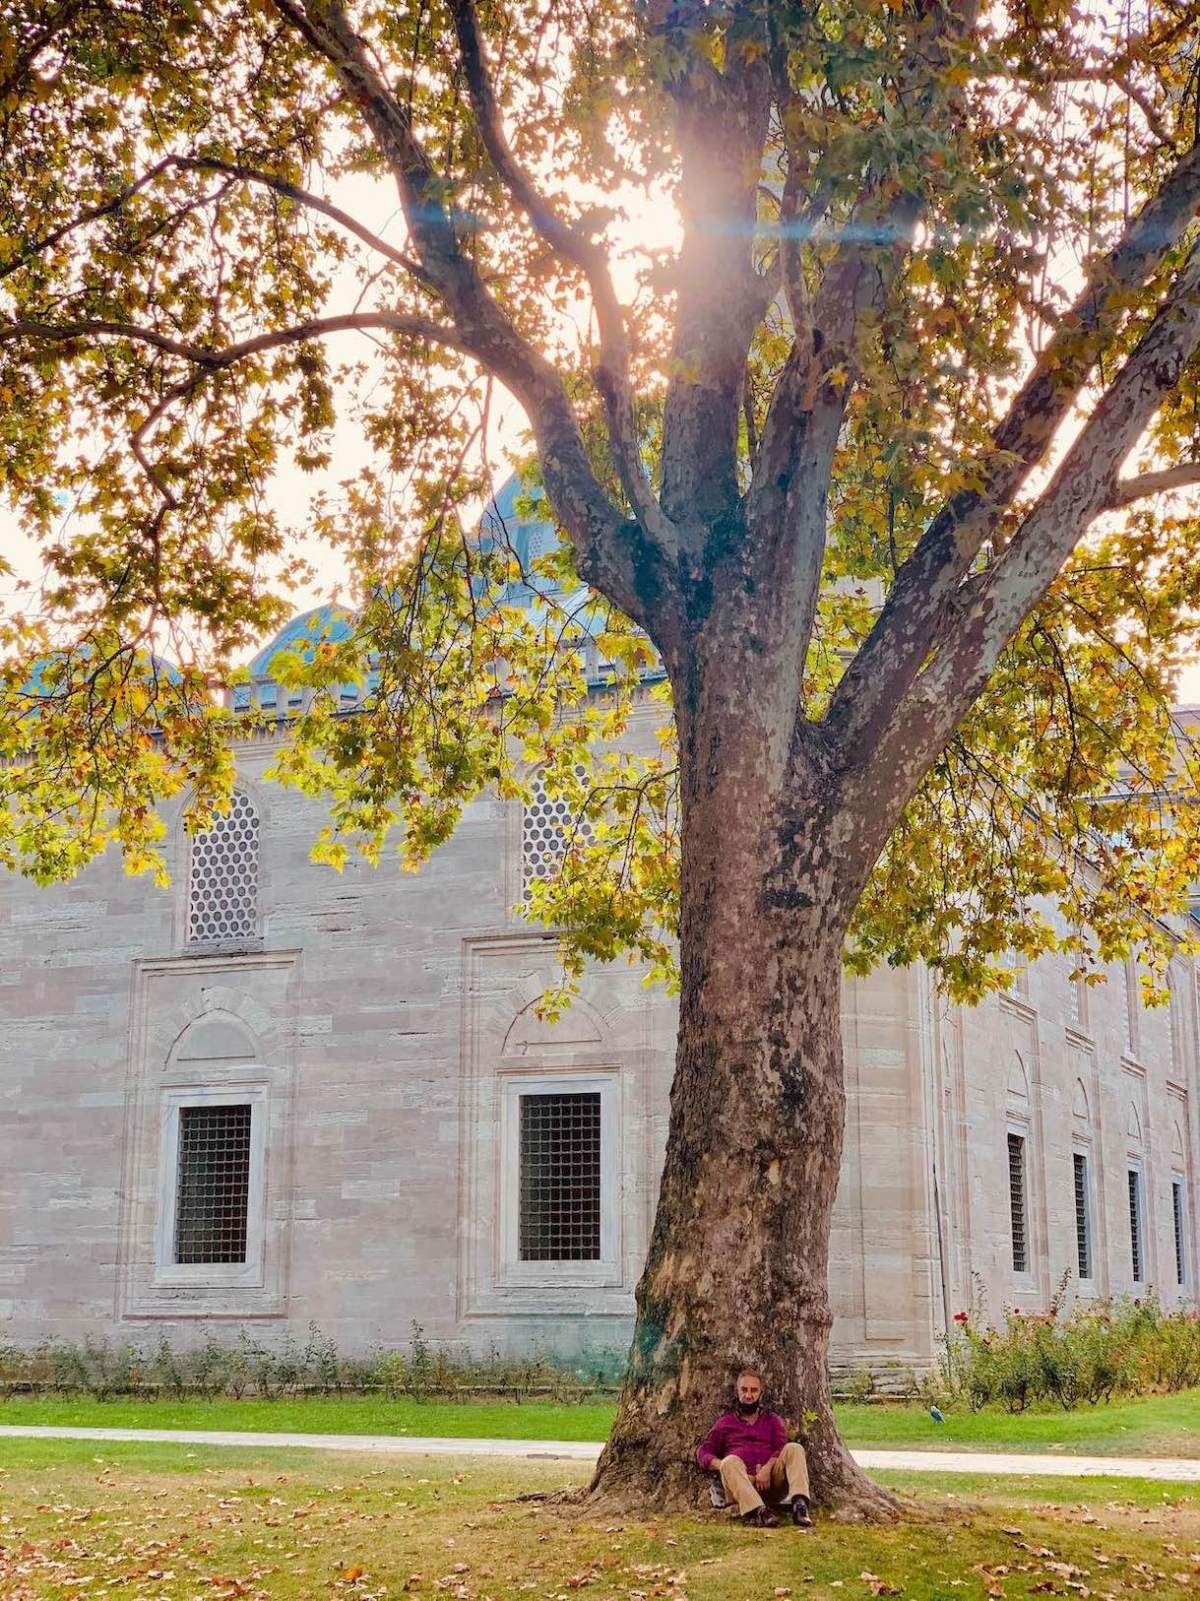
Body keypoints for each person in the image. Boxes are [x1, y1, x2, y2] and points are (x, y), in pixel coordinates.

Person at [696, 1367, 813, 1528]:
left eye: (753, 1390)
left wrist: (767, 1468)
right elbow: (703, 1452)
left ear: (760, 1394)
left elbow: (781, 1448)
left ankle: (800, 1506)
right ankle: (759, 1512)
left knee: (794, 1448)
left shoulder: (772, 1420)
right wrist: (723, 1466)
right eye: (744, 1390)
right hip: (741, 1483)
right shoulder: (725, 1423)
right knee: (729, 1461)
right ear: (737, 1393)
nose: (748, 1395)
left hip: (771, 1483)